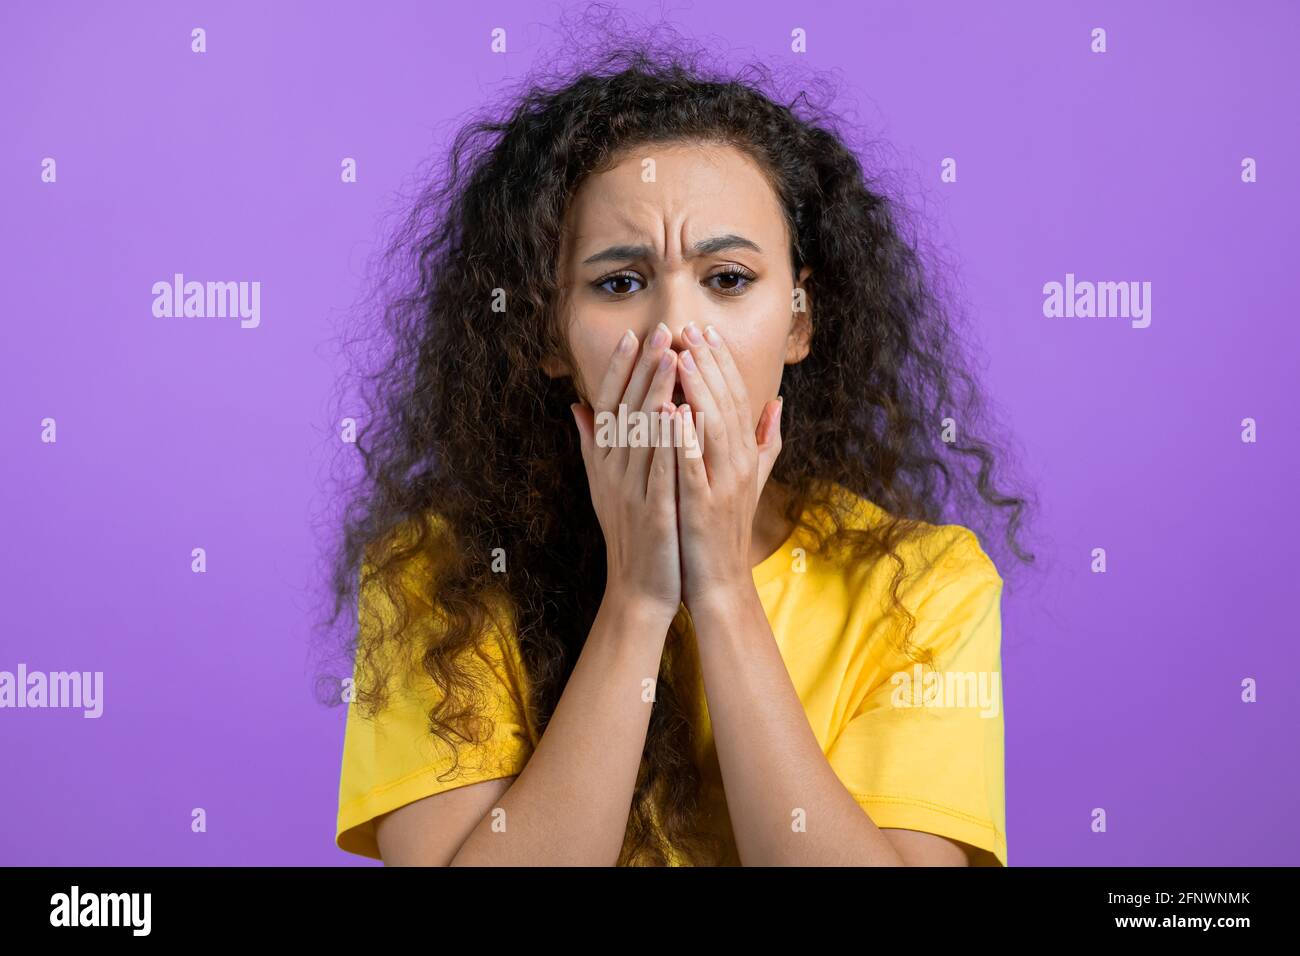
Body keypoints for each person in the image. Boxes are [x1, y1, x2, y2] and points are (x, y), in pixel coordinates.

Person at [327, 36, 1033, 867]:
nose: (674, 334)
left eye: (728, 279)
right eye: (618, 283)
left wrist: (724, 586)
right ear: (550, 335)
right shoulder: (435, 578)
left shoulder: (928, 586)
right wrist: (636, 598)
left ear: (799, 322)